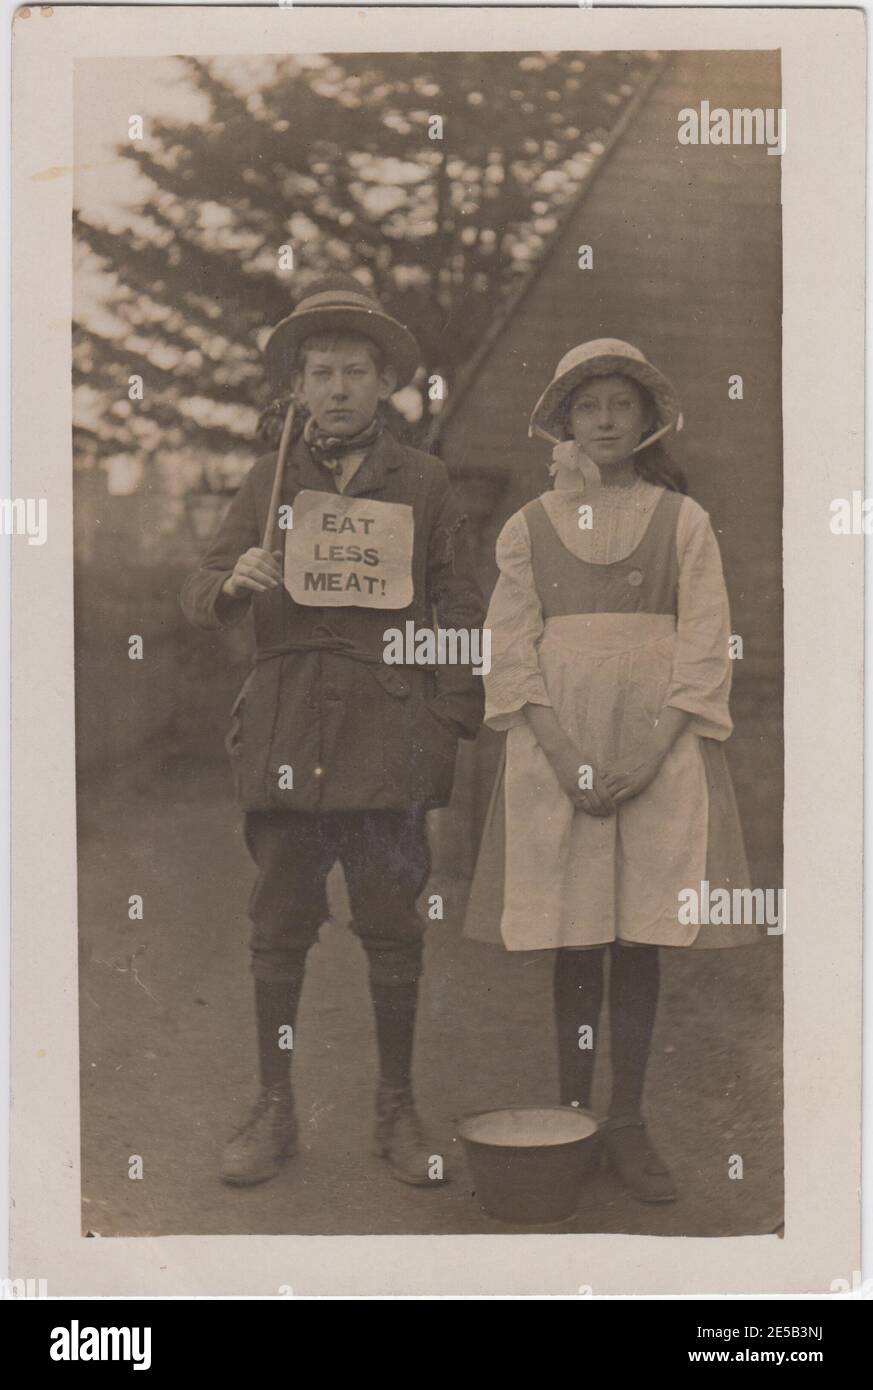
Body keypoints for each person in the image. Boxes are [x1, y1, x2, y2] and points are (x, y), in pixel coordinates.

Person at [181, 273, 485, 1188]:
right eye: (320, 372)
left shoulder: (424, 482)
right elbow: (199, 592)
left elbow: (460, 610)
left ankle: (396, 1109)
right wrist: (234, 580)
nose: (339, 387)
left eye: (356, 370)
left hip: (386, 739)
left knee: (392, 926)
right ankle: (274, 1108)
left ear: (384, 380)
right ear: (298, 387)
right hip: (283, 732)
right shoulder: (269, 479)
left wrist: (440, 727)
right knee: (279, 925)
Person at [465, 339, 760, 1203]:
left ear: (644, 421)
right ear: (562, 421)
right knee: (576, 931)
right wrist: (563, 756)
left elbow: (705, 649)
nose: (602, 420)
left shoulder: (683, 521)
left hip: (655, 750)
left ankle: (626, 1120)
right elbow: (509, 653)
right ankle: (570, 1120)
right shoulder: (528, 528)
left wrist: (654, 748)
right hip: (562, 750)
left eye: (618, 406)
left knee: (638, 935)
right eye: (586, 406)